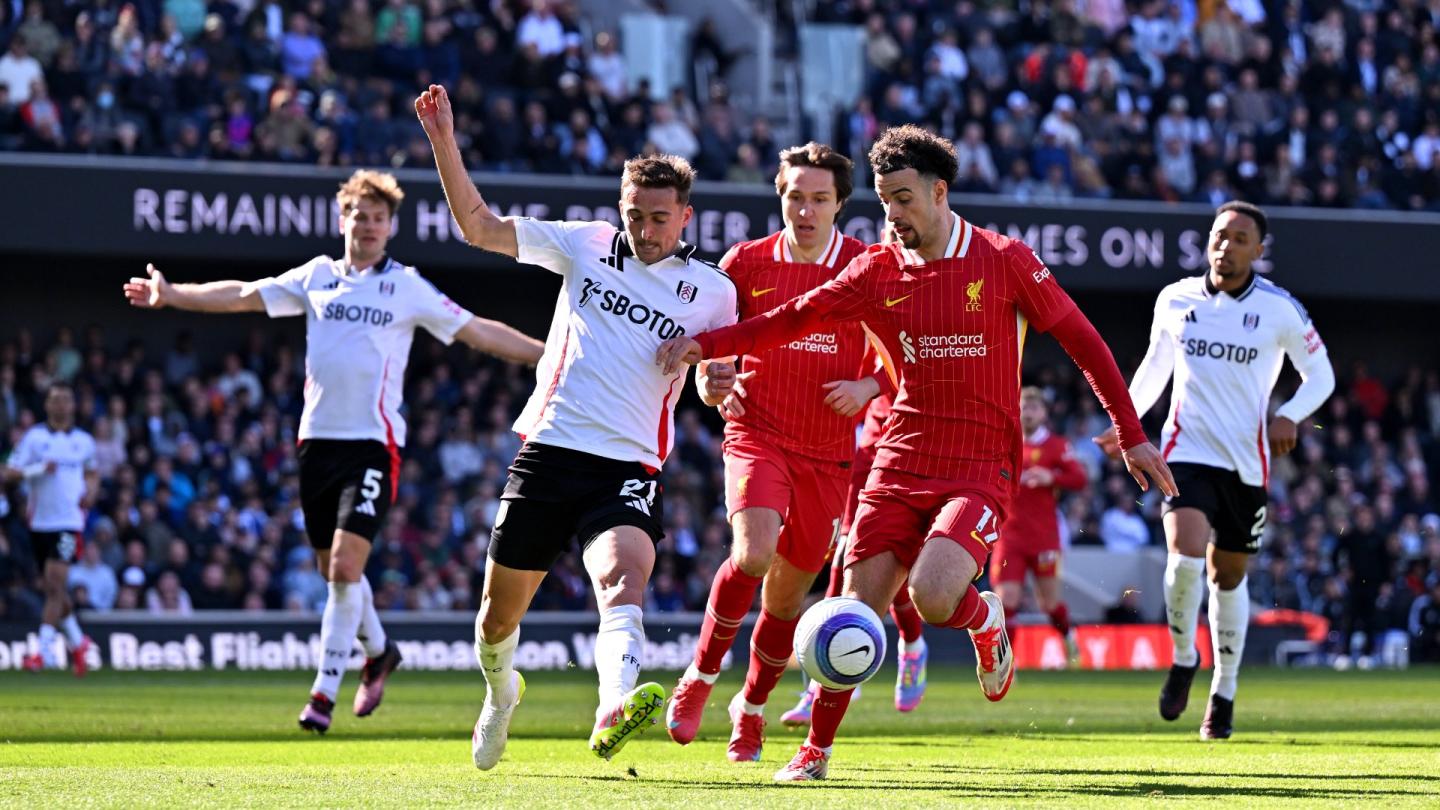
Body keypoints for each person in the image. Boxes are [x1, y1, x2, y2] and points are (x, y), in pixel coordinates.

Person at [657, 124, 1175, 781]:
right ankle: (814, 751)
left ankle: (983, 620)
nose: (892, 215)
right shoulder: (875, 270)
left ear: (939, 192)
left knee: (933, 597)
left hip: (980, 463)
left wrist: (1129, 431)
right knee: (851, 610)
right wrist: (713, 343)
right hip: (900, 458)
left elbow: (1085, 341)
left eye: (903, 199)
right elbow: (793, 317)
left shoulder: (1005, 260)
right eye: (882, 202)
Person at [122, 169, 545, 733]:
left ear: (390, 228)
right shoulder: (317, 277)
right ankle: (380, 652)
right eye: (358, 216)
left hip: (372, 445)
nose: (367, 226)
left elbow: (477, 331)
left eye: (377, 218)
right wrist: (172, 294)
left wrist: (550, 356)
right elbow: (245, 296)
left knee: (347, 567)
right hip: (315, 444)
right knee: (334, 573)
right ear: (341, 219)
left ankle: (322, 694)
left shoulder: (406, 286)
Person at [414, 84, 739, 769]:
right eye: (634, 216)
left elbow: (715, 391)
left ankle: (613, 704)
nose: (645, 231)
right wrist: (444, 139)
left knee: (624, 577)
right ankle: (501, 694)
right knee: (496, 623)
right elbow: (478, 226)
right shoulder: (585, 245)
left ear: (685, 217)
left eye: (659, 218)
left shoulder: (713, 292)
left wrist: (712, 373)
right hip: (549, 451)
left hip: (627, 467)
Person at [664, 142, 889, 761]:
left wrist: (870, 384)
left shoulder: (869, 267)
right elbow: (711, 348)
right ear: (780, 197)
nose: (806, 210)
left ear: (841, 204)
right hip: (758, 432)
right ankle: (701, 677)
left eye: (819, 199)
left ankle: (753, 706)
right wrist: (710, 381)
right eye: (795, 197)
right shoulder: (746, 263)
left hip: (829, 455)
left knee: (788, 598)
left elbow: (908, 357)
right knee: (754, 552)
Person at [1096, 200, 1335, 741]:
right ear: (1208, 240)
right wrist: (1125, 422)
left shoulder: (1280, 310)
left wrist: (1290, 414)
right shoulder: (1175, 299)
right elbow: (1156, 364)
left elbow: (1320, 375)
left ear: (1259, 250)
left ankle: (1223, 693)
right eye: (1219, 235)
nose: (1226, 246)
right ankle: (1184, 658)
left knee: (1227, 578)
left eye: (1239, 238)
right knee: (1183, 553)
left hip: (1246, 465)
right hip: (1187, 451)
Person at [4, 382, 98, 675]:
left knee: (55, 585)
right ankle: (79, 642)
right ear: (46, 405)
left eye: (66, 400)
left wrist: (91, 492)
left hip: (69, 523)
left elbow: (93, 473)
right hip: (39, 522)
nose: (61, 405)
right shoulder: (35, 438)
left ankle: (42, 654)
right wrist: (38, 469)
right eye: (55, 400)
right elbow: (8, 474)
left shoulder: (83, 441)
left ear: (73, 405)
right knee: (52, 589)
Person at [992, 386, 1088, 664]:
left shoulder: (1056, 445)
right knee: (1007, 600)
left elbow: (1079, 479)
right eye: (1024, 407)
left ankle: (1068, 636)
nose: (1028, 413)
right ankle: (1006, 662)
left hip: (1044, 537)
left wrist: (1052, 477)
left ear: (1044, 413)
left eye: (1034, 408)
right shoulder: (1005, 442)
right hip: (1010, 537)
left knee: (1049, 603)